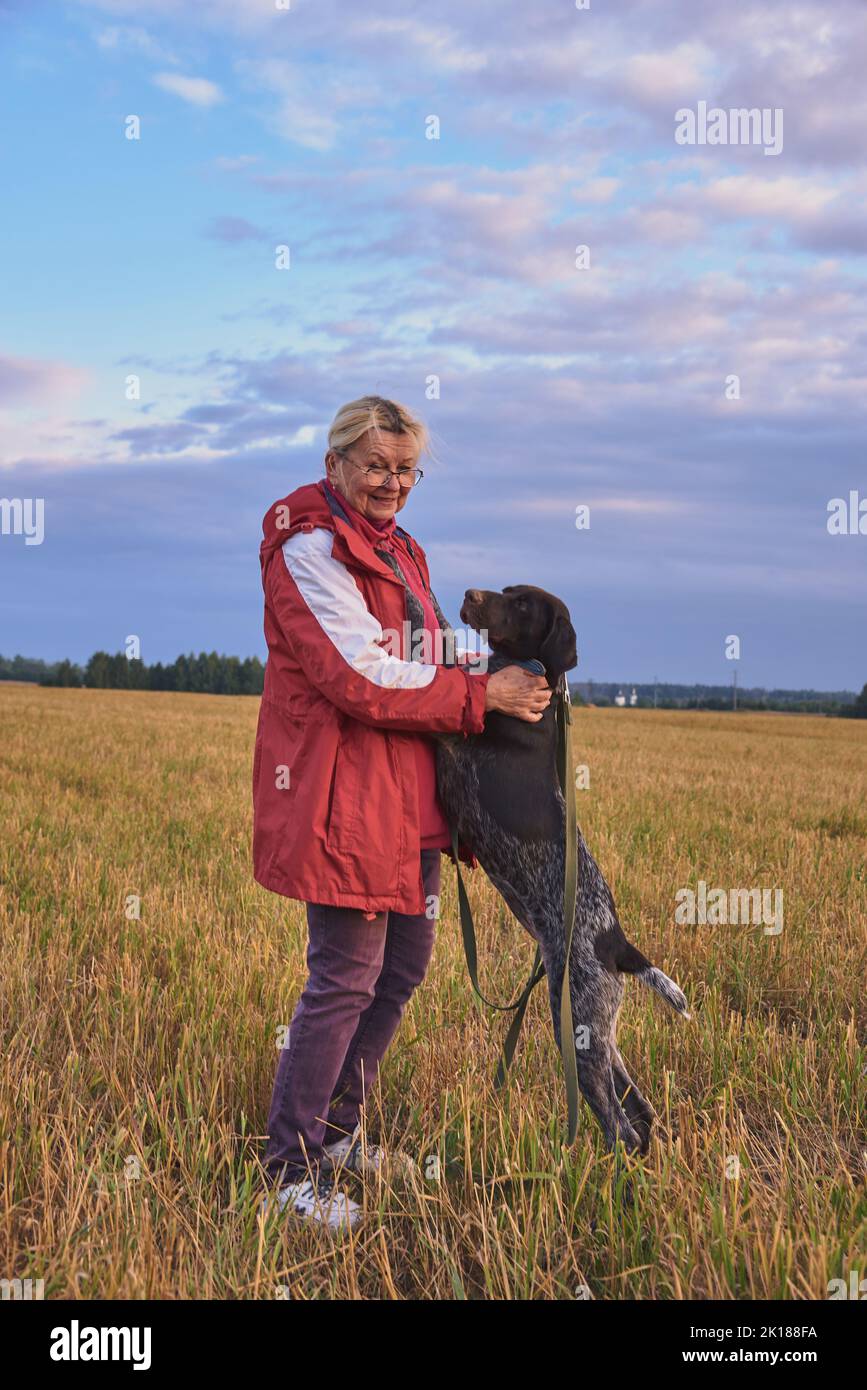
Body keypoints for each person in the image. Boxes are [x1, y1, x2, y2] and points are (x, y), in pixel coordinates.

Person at [253, 395, 551, 1230]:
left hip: (407, 788)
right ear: (335, 465)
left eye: (405, 469)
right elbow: (359, 673)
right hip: (344, 789)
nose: (391, 482)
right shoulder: (310, 550)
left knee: (404, 962)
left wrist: (506, 665)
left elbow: (416, 645)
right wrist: (478, 694)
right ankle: (290, 1165)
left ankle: (338, 1130)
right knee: (345, 971)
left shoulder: (396, 547)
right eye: (376, 465)